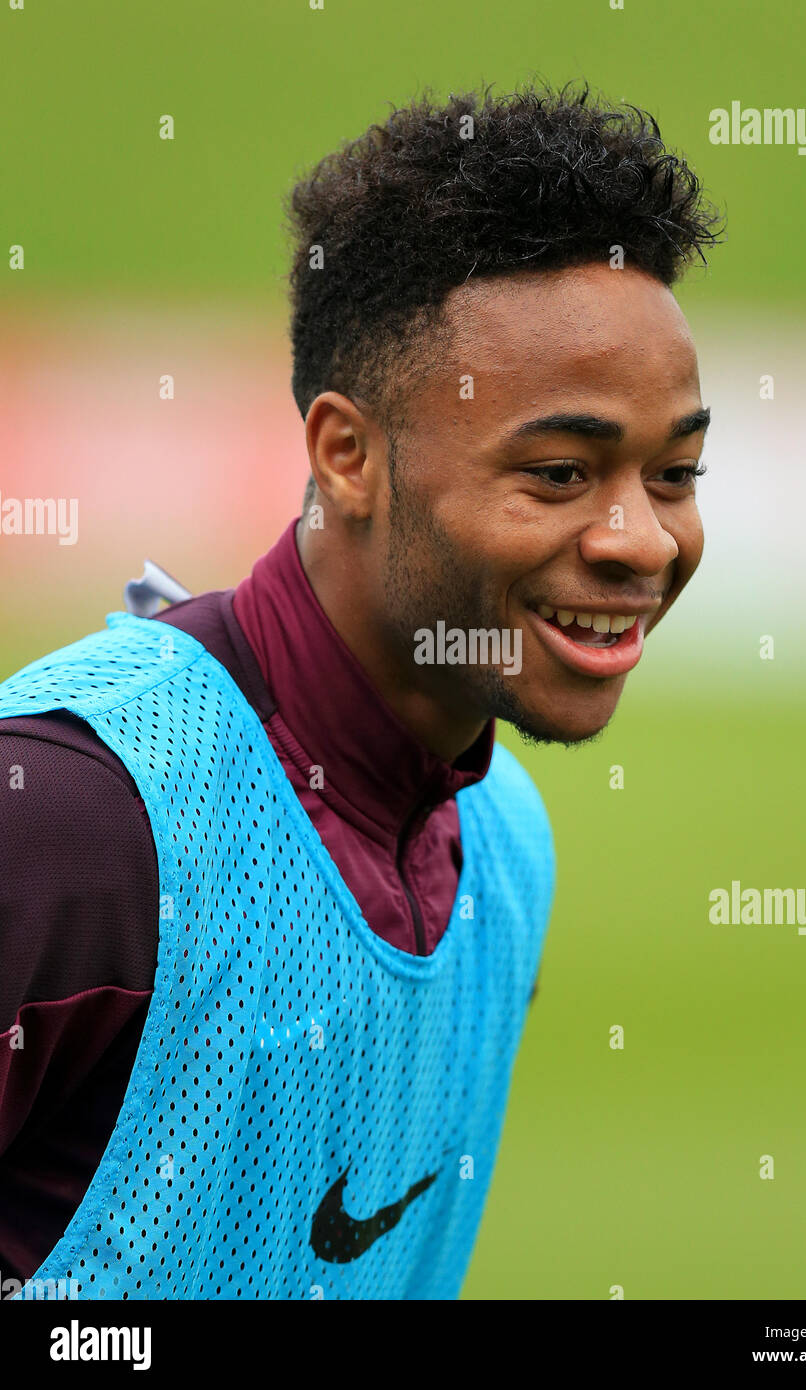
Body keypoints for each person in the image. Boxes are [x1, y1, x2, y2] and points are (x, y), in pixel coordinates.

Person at [0, 82, 722, 1299]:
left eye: (675, 472)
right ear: (348, 454)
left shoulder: (502, 850)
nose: (640, 540)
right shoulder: (76, 822)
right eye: (557, 472)